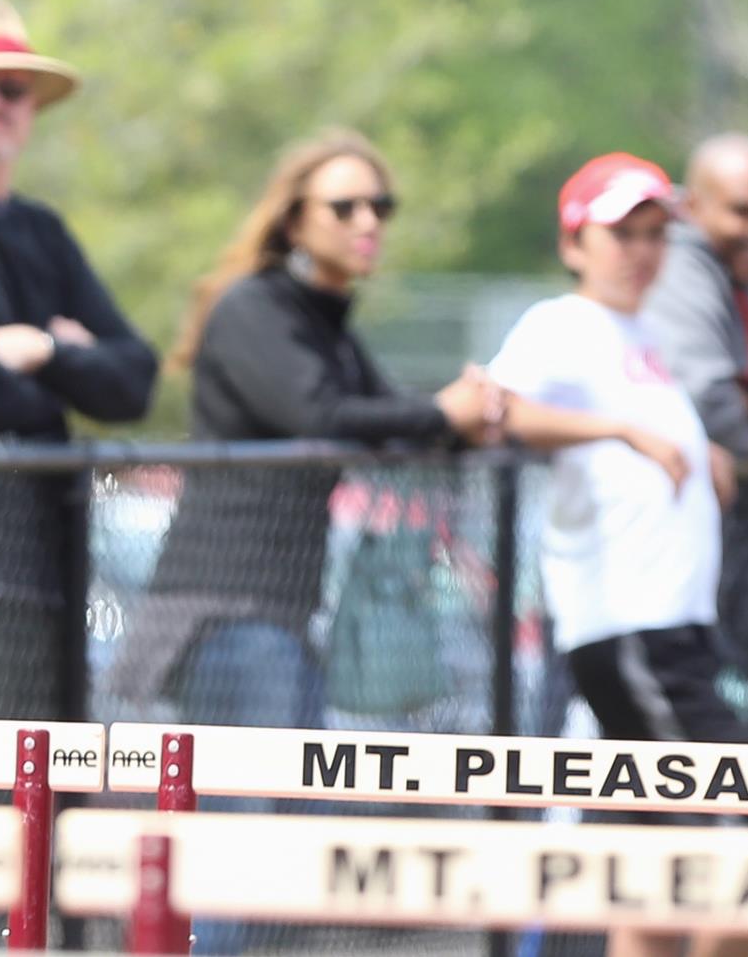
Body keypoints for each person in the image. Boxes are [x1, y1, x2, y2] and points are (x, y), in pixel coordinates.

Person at [139, 130, 500, 955]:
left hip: (276, 618)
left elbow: (393, 422)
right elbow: (325, 415)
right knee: (239, 847)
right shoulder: (258, 308)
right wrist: (446, 412)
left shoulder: (324, 319)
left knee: (281, 842)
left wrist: (466, 414)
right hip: (226, 616)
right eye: (346, 205)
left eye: (381, 205)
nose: (369, 219)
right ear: (295, 218)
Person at [487, 153, 748, 957]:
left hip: (676, 628)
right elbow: (497, 405)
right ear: (575, 242)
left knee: (655, 869)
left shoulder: (642, 334)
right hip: (633, 631)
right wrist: (621, 429)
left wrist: (700, 453)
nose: (642, 249)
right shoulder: (559, 322)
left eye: (654, 233)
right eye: (621, 232)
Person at [0, 0, 156, 743]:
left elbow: (135, 380)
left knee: (47, 783)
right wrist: (67, 363)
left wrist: (44, 348)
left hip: (46, 557)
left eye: (11, 89)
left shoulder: (40, 229)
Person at [641, 132, 748, 739]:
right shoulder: (682, 266)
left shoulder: (734, 273)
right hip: (676, 568)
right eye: (745, 211)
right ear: (691, 206)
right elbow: (711, 399)